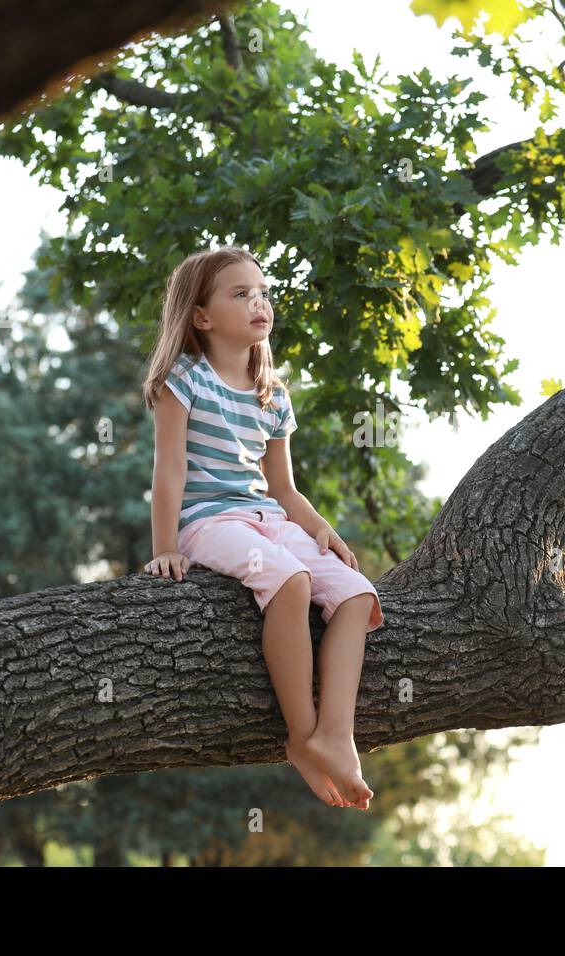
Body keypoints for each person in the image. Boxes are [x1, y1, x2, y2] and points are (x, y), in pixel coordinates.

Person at [140, 245, 384, 811]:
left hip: (269, 518)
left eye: (264, 293)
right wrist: (164, 549)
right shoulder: (185, 380)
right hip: (210, 523)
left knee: (354, 594)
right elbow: (169, 471)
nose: (259, 302)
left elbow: (283, 488)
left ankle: (336, 734)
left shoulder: (274, 396)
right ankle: (301, 735)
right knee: (289, 582)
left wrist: (324, 531)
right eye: (240, 293)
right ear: (202, 317)